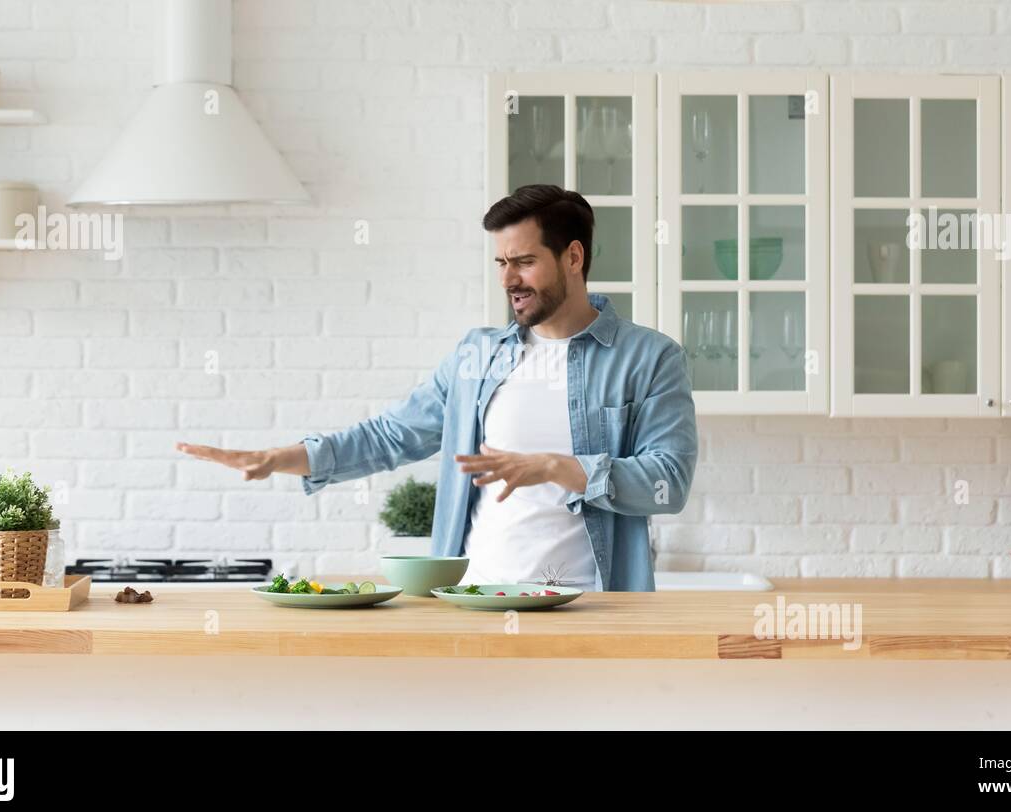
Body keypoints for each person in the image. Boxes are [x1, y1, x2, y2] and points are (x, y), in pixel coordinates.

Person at [178, 184, 697, 591]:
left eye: (524, 262)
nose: (508, 279)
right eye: (501, 262)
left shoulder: (649, 358)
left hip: (592, 607)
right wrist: (281, 458)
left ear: (574, 258)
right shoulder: (478, 356)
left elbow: (668, 482)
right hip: (475, 600)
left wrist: (555, 467)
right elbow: (390, 436)